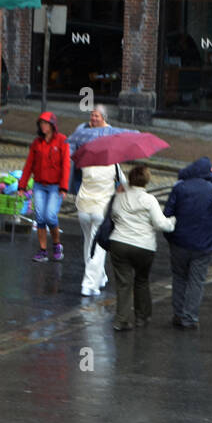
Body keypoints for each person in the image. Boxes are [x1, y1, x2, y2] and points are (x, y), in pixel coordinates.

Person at [164, 156, 212, 329]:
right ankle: (190, 317)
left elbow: (168, 212)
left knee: (179, 277)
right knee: (196, 281)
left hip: (179, 242)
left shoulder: (179, 187)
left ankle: (178, 314)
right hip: (203, 244)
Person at [108, 165, 177, 331]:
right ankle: (142, 316)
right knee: (141, 280)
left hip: (119, 243)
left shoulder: (119, 196)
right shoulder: (149, 200)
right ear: (146, 181)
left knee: (123, 283)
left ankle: (121, 319)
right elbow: (161, 224)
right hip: (143, 246)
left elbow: (113, 215)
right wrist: (173, 221)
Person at [72, 106, 125, 297]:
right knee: (99, 248)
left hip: (83, 208)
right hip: (100, 210)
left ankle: (100, 276)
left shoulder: (85, 162)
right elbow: (125, 185)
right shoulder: (113, 164)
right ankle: (89, 284)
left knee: (88, 244)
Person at [19, 112, 70, 262]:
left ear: (53, 125)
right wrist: (22, 186)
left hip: (55, 186)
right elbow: (29, 165)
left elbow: (66, 165)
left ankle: (56, 244)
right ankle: (42, 250)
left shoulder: (62, 141)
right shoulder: (36, 143)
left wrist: (64, 187)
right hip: (39, 185)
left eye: (46, 123)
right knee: (40, 217)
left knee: (50, 216)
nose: (43, 126)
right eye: (41, 123)